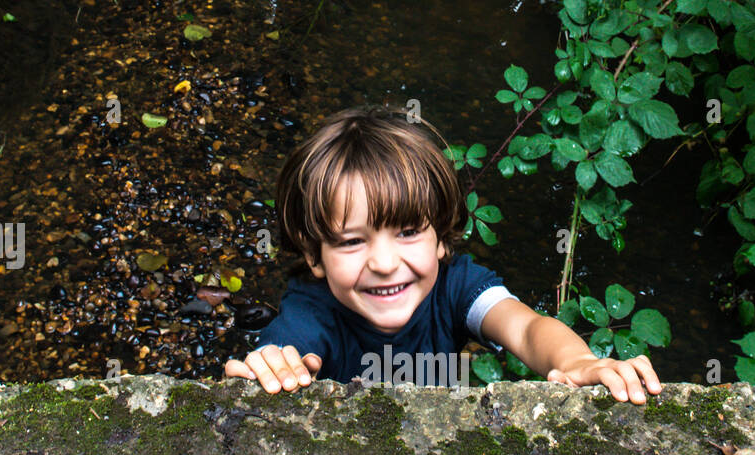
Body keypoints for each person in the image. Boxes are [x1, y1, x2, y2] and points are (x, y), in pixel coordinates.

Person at [223, 106, 662, 403]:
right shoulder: (313, 308)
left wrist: (579, 362)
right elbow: (286, 347)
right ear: (315, 256)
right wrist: (273, 363)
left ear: (442, 240)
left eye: (409, 232)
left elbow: (527, 329)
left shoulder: (456, 285)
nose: (384, 262)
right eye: (352, 241)